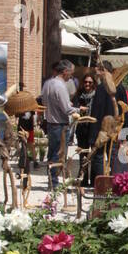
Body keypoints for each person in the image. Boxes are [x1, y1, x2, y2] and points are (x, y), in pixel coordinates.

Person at [40, 60, 79, 190]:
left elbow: (45, 101)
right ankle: (55, 183)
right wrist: (79, 109)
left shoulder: (47, 84)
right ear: (65, 72)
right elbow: (67, 109)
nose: (71, 77)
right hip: (60, 124)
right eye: (71, 73)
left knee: (52, 153)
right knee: (59, 153)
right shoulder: (60, 86)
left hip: (50, 122)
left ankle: (51, 180)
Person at [75, 72, 97, 184]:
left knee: (92, 154)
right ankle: (83, 178)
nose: (87, 84)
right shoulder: (78, 95)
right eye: (85, 82)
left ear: (93, 84)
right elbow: (72, 108)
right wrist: (79, 109)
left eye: (90, 82)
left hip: (93, 128)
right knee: (82, 153)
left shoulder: (97, 95)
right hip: (82, 128)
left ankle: (93, 179)